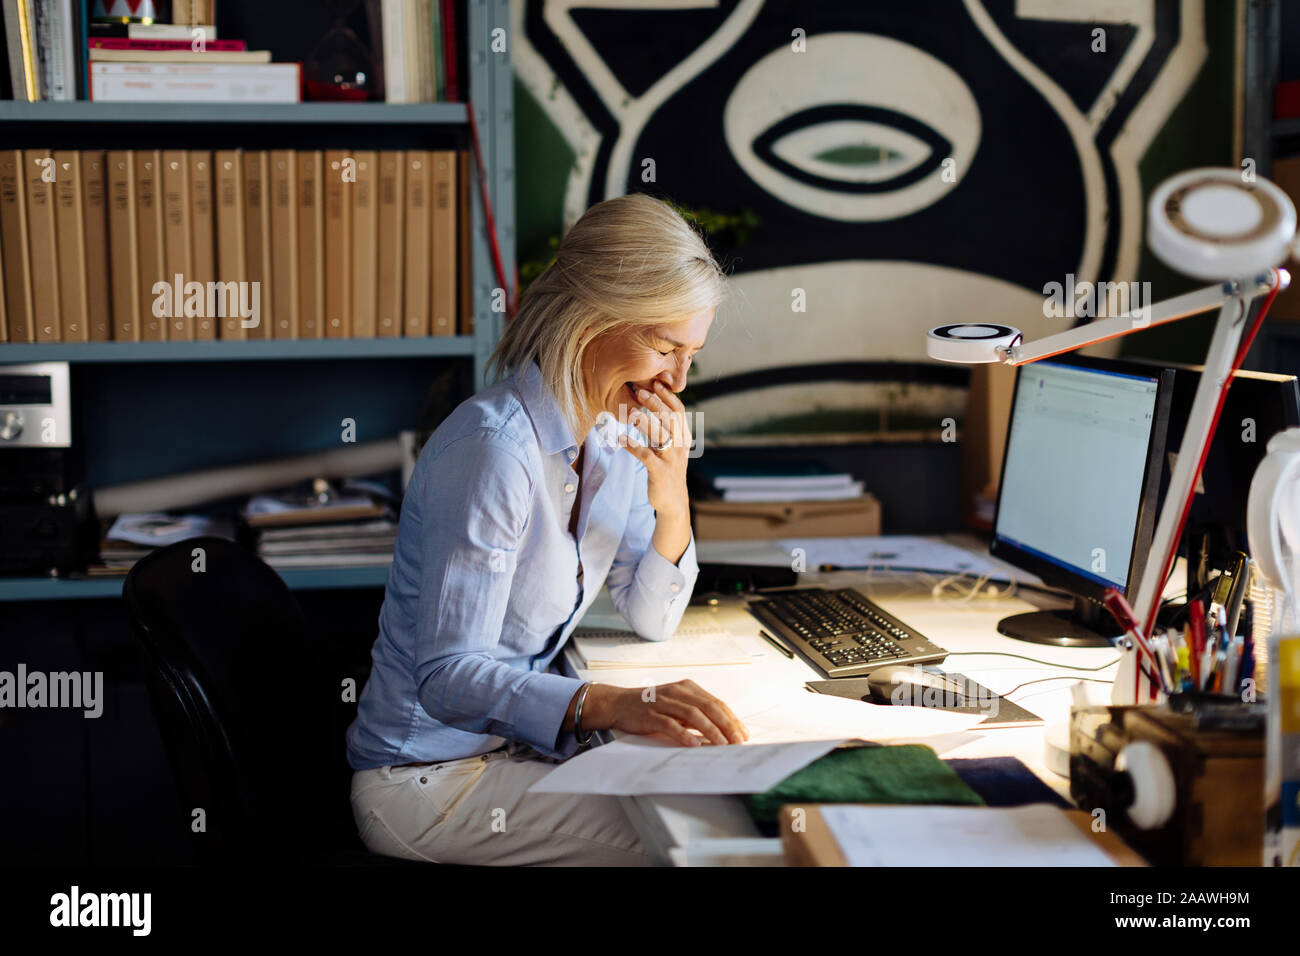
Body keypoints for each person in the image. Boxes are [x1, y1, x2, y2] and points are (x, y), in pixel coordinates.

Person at [346, 193, 749, 866]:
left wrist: (672, 497)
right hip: (425, 783)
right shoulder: (494, 451)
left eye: (692, 354)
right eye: (664, 347)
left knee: (717, 805)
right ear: (593, 319)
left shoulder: (615, 436)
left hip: (507, 754)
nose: (677, 381)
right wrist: (612, 704)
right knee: (705, 844)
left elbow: (649, 617)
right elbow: (447, 677)